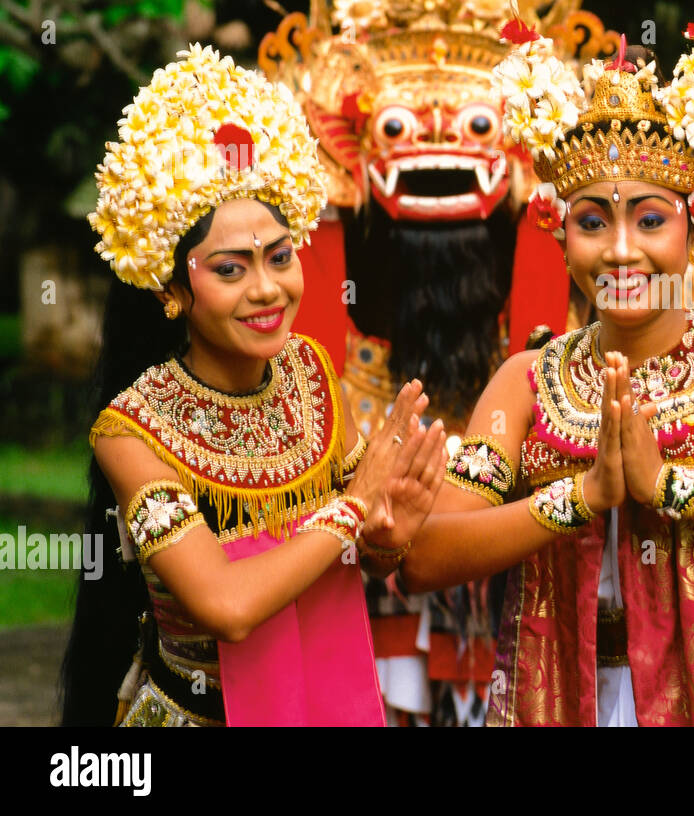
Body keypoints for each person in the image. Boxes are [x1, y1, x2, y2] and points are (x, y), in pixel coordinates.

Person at [384, 18, 694, 726]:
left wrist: (670, 487)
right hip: (564, 697)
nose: (621, 251)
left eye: (650, 221)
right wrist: (583, 496)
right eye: (593, 223)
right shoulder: (527, 381)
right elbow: (426, 557)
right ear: (561, 234)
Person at [59, 45, 446, 727]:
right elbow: (227, 606)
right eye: (230, 269)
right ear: (172, 290)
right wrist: (353, 509)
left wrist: (389, 535)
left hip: (317, 703)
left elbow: (359, 553)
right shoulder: (131, 430)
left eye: (279, 257)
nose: (267, 289)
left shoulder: (311, 376)